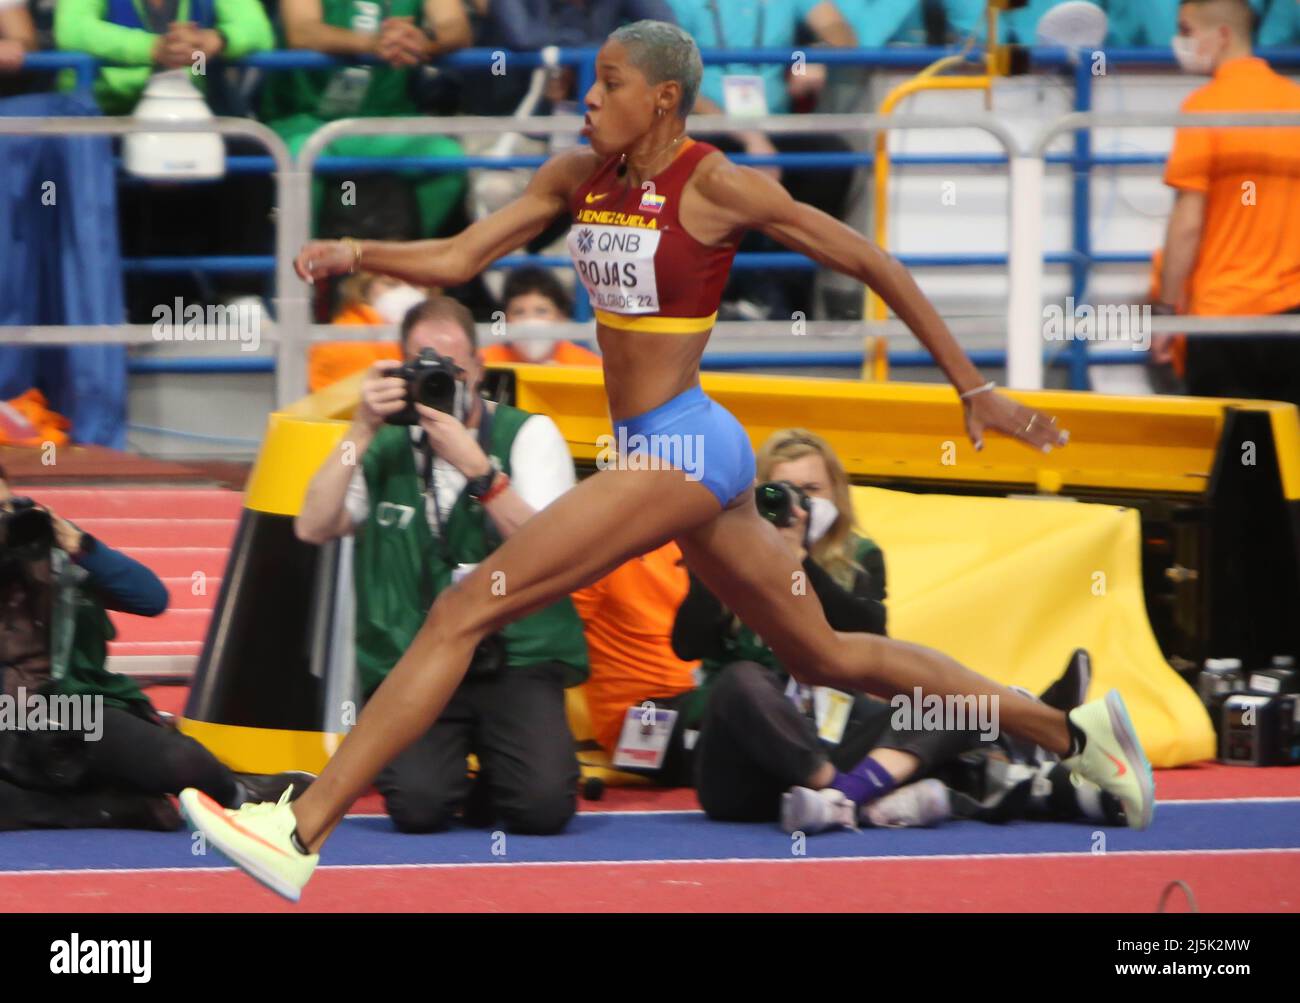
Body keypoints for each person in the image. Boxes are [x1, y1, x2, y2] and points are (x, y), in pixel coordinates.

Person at [181, 19, 1153, 902]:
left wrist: (972, 389)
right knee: (828, 656)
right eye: (589, 85)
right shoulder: (575, 177)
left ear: (665, 100)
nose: (587, 98)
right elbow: (462, 259)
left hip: (690, 444)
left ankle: (296, 828)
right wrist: (356, 249)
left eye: (607, 85)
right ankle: (1072, 734)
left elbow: (872, 263)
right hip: (673, 451)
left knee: (460, 608)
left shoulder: (716, 181)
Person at [294, 296, 590, 835]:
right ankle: (462, 776)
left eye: (449, 369)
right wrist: (359, 429)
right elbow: (312, 526)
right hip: (419, 658)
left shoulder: (528, 435)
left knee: (543, 810)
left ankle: (503, 776)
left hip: (515, 656)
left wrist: (481, 471)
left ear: (477, 368)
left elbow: (555, 550)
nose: (437, 383)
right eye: (421, 368)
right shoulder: (383, 444)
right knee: (418, 808)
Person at [0, 468, 308, 831]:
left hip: (73, 709)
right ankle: (112, 808)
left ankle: (239, 792)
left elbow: (150, 598)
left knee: (180, 762)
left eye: (5, 507)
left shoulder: (48, 557)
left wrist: (80, 546)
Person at [1151, 0, 1300, 405]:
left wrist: (1165, 313)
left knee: (1234, 455)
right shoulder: (1294, 103)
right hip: (1290, 318)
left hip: (1222, 318)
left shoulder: (1203, 109)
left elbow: (1187, 223)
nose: (1179, 42)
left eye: (1186, 31)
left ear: (1221, 36)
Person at [263, 0, 471, 239]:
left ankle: (398, 267)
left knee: (447, 158)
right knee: (303, 156)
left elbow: (456, 27)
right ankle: (304, 268)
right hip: (305, 121)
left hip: (388, 120)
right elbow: (302, 32)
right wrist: (373, 43)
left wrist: (425, 41)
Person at [482, 267, 602, 366]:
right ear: (505, 319)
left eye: (541, 311)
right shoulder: (485, 363)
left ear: (561, 317)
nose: (530, 320)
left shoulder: (588, 366)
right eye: (519, 312)